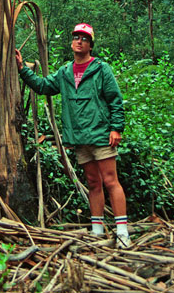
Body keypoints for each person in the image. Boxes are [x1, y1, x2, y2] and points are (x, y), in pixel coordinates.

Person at [15, 23, 131, 248]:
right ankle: (97, 230)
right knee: (92, 182)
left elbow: (115, 99)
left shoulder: (101, 69)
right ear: (71, 42)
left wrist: (116, 128)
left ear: (90, 45)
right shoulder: (65, 72)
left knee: (110, 181)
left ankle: (122, 232)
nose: (79, 41)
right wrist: (22, 69)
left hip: (101, 134)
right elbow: (43, 86)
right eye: (76, 37)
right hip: (79, 137)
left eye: (84, 39)